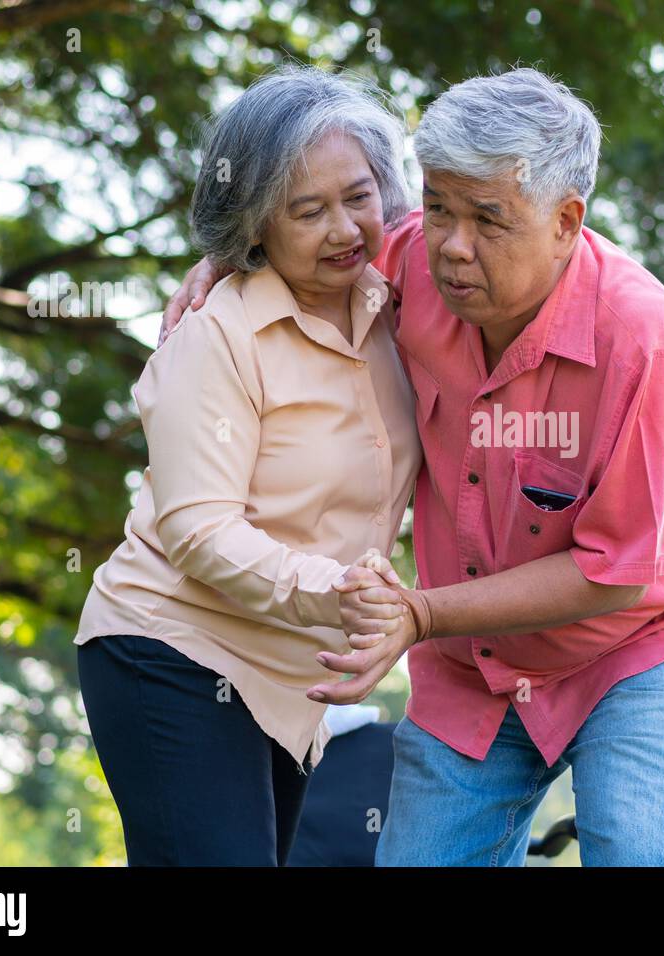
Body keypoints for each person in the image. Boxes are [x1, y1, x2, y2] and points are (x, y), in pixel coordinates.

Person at [162, 67, 664, 867]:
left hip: (640, 650)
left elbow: (616, 574)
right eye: (436, 206)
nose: (453, 246)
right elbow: (308, 243)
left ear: (566, 220)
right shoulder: (409, 262)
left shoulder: (641, 338)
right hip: (476, 665)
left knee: (637, 852)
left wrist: (422, 614)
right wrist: (227, 266)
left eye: (488, 220)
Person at [74, 65, 423, 866]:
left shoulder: (406, 304)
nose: (343, 229)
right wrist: (342, 596)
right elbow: (196, 532)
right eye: (308, 211)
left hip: (290, 683)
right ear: (255, 223)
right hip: (170, 650)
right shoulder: (217, 334)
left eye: (359, 196)